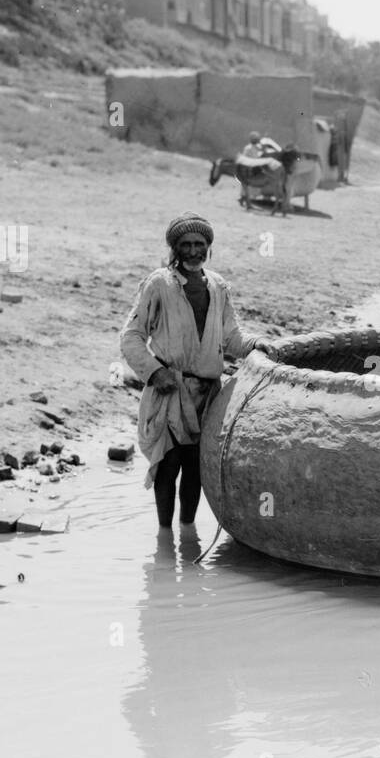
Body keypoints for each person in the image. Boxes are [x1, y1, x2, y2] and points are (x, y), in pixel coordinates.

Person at [120, 213, 275, 536]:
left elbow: (232, 338)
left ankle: (187, 533)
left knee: (196, 469)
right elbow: (131, 336)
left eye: (200, 245)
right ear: (175, 248)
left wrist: (258, 344)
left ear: (209, 248)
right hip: (169, 391)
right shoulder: (159, 284)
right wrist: (154, 372)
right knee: (168, 464)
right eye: (186, 245)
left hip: (208, 395)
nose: (193, 251)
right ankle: (165, 535)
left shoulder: (217, 287)